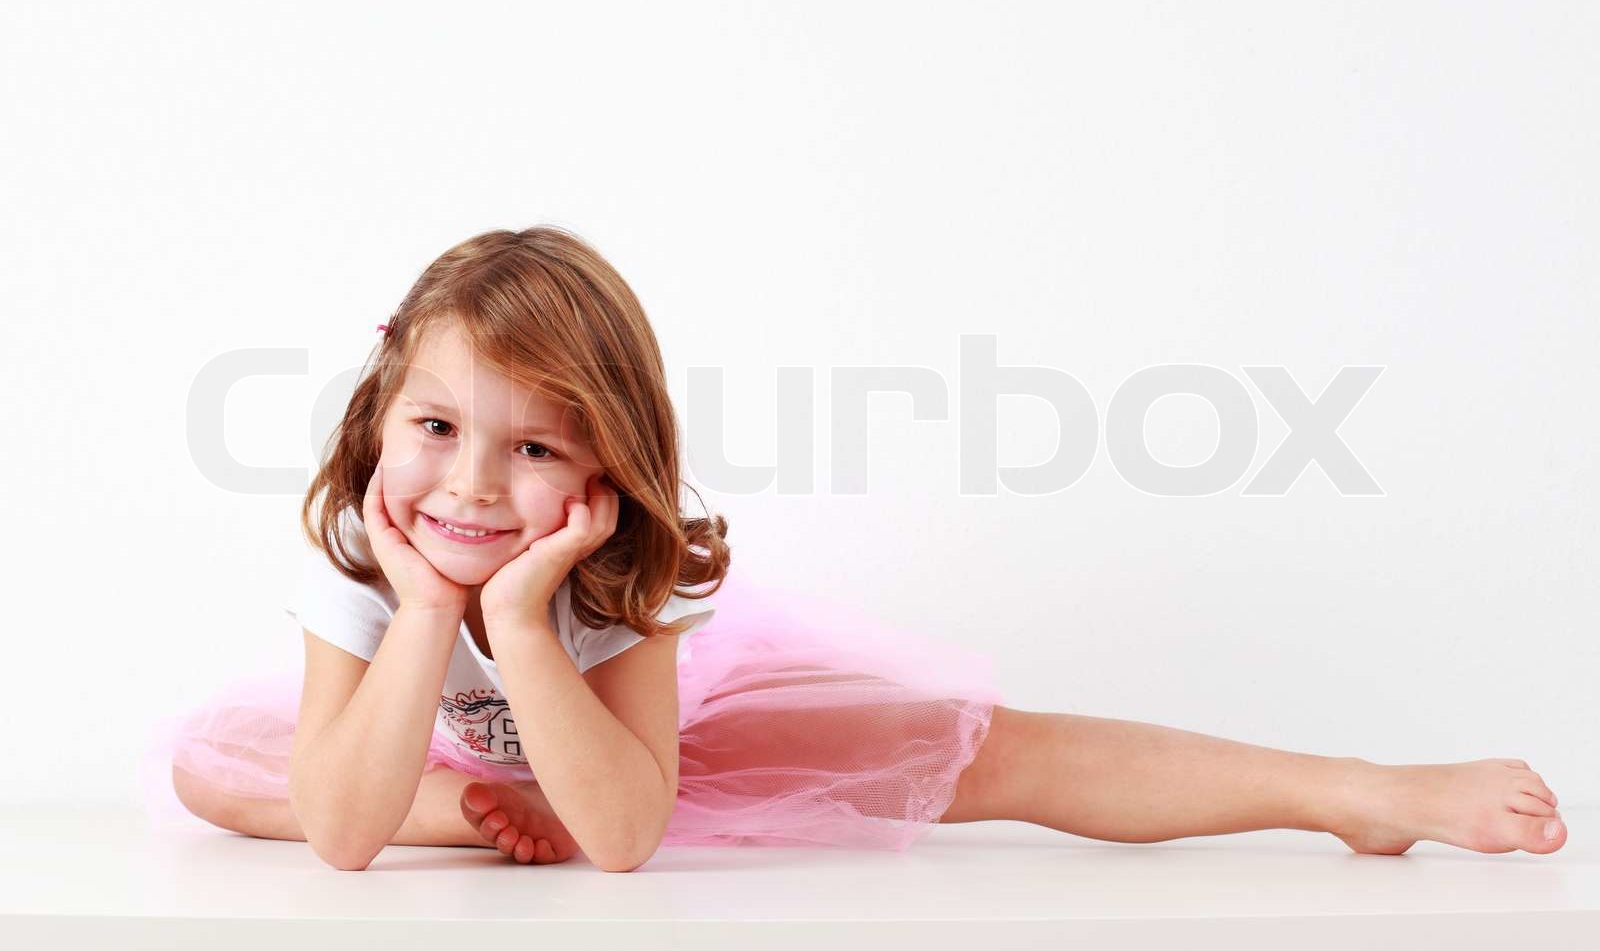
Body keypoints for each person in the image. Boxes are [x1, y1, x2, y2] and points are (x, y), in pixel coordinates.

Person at [141, 226, 1567, 871]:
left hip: (644, 765)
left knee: (986, 748)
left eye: (532, 448)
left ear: (602, 464)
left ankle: (1355, 792)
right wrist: (415, 611)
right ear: (383, 407)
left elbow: (632, 833)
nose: (470, 487)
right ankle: (479, 821)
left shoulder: (599, 573)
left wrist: (516, 624)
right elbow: (339, 830)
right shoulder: (367, 549)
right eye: (439, 427)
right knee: (217, 764)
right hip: (442, 777)